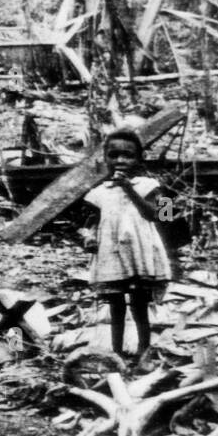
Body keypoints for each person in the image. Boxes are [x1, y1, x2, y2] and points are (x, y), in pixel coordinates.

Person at [83, 129, 172, 367]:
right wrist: (88, 236)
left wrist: (129, 189)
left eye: (128, 155)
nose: (121, 161)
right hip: (111, 254)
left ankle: (144, 351)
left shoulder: (152, 185)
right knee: (116, 305)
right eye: (114, 155)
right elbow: (89, 221)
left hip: (140, 253)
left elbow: (163, 215)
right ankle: (116, 353)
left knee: (140, 303)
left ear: (139, 158)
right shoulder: (98, 192)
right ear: (105, 158)